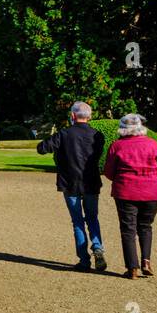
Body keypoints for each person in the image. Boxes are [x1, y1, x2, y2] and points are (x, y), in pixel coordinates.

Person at [37, 101, 106, 270]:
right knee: (92, 217)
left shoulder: (64, 134)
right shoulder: (98, 135)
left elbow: (42, 148)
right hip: (90, 181)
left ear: (73, 116)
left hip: (70, 182)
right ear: (89, 116)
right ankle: (97, 247)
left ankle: (84, 260)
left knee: (77, 221)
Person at [102, 113, 157, 279]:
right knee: (145, 226)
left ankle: (132, 268)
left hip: (125, 191)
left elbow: (108, 172)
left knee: (128, 229)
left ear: (123, 129)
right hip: (152, 191)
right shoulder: (152, 144)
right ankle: (146, 261)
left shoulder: (117, 146)